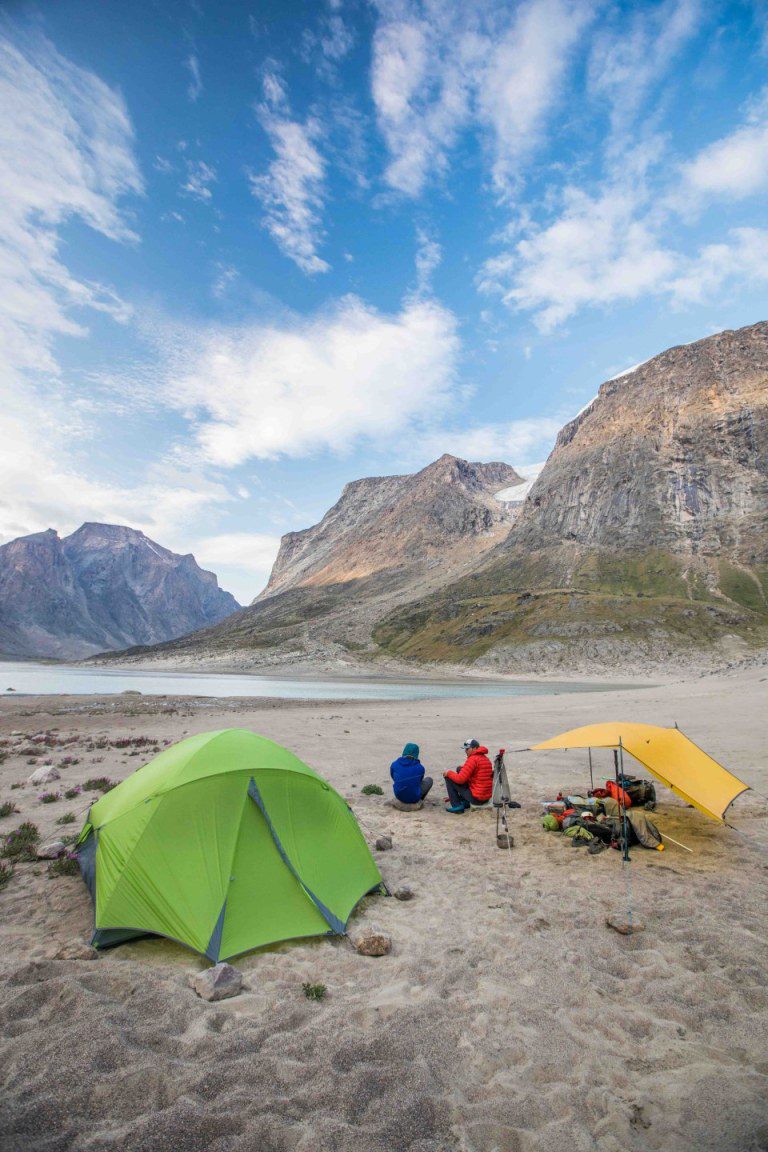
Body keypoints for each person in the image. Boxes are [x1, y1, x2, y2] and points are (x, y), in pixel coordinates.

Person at [443, 739, 493, 813]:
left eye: (467, 749)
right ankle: (465, 801)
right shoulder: (485, 759)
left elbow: (460, 779)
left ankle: (457, 805)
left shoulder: (473, 759)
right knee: (459, 769)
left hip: (476, 798)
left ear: (475, 748)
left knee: (448, 777)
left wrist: (449, 773)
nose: (465, 751)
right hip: (485, 797)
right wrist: (461, 769)